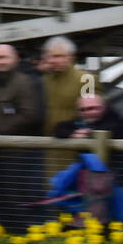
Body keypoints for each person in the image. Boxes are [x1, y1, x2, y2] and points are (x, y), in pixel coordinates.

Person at [0, 44, 41, 227]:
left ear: (15, 58)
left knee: (14, 197)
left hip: (16, 153)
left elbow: (29, 114)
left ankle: (20, 232)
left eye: (4, 57)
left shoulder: (22, 82)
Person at [42, 36, 86, 180]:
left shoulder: (87, 79)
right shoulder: (43, 80)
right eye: (52, 56)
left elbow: (92, 113)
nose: (55, 60)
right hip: (46, 148)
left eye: (59, 56)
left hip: (73, 150)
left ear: (71, 57)